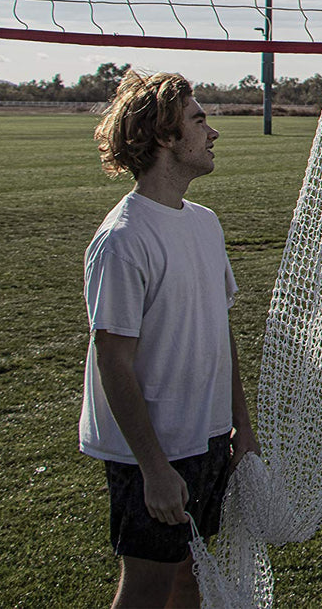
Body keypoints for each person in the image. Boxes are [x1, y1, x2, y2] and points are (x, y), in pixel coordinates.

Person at [80, 71, 257, 608]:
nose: (213, 132)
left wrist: (239, 427)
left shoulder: (204, 223)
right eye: (199, 120)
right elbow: (113, 360)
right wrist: (154, 469)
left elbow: (218, 328)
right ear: (165, 137)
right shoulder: (124, 239)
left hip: (205, 437)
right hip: (151, 453)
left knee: (191, 575)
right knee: (147, 588)